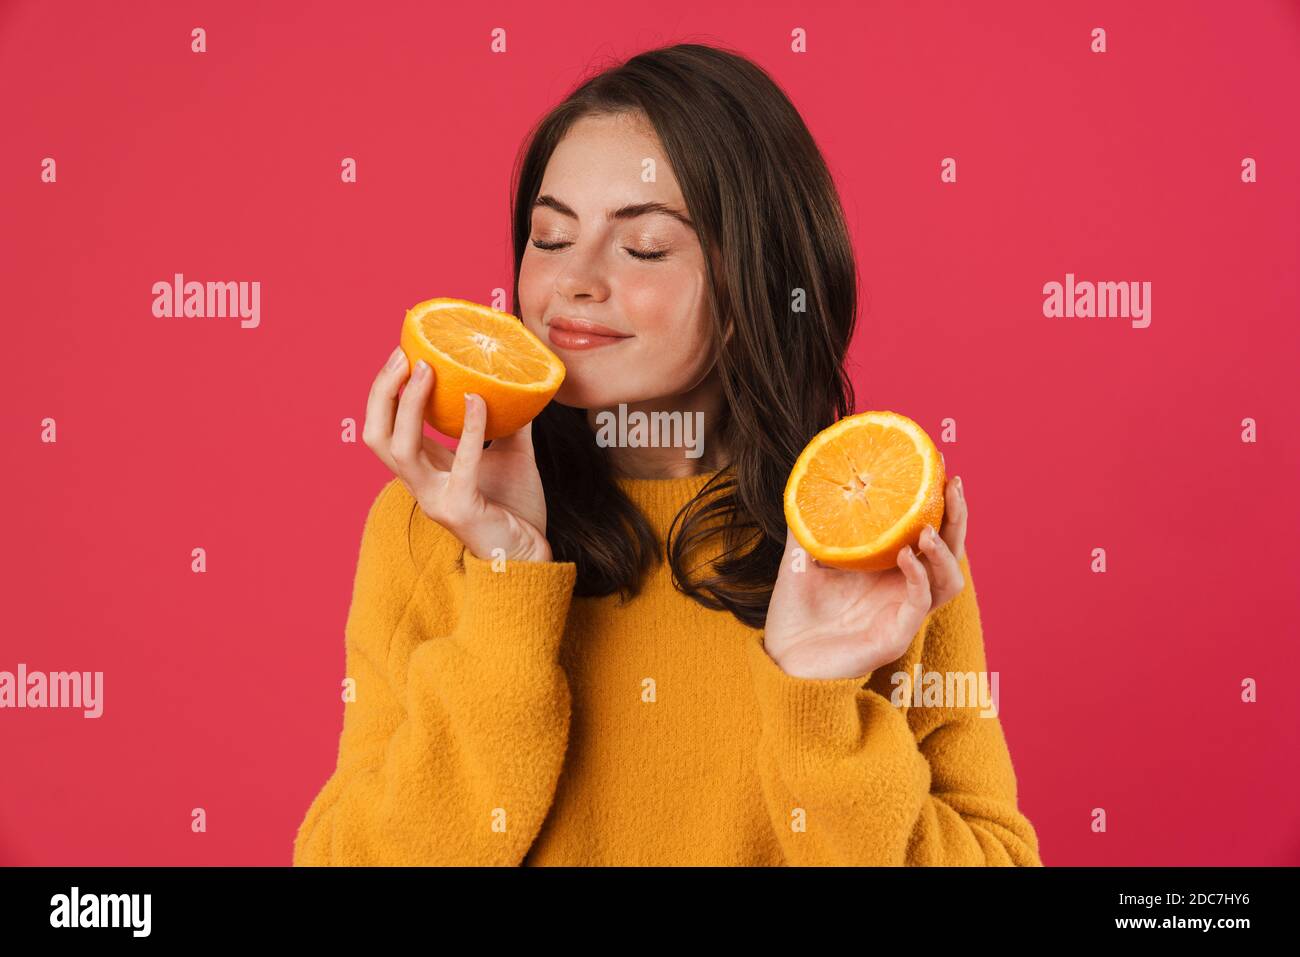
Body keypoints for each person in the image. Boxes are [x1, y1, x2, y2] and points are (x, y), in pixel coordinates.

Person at [292, 42, 1042, 866]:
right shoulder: (433, 521)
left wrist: (821, 704)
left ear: (756, 277)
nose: (571, 282)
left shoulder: (872, 535)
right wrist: (508, 595)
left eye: (642, 246)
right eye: (548, 238)